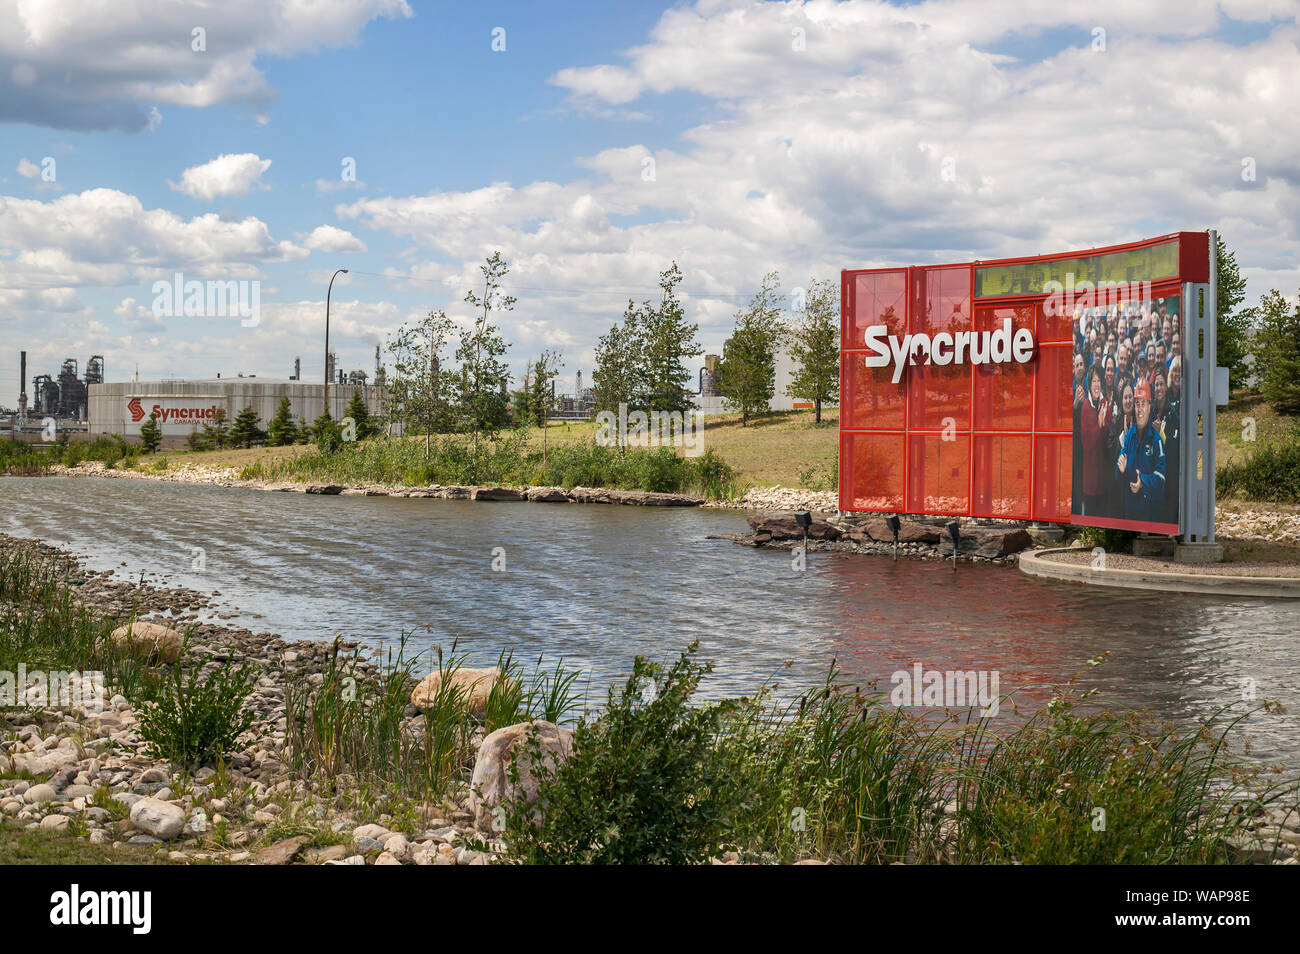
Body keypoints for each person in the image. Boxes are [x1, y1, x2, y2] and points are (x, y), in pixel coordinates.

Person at [1116, 378, 1166, 523]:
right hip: (1130, 512)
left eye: (1143, 403)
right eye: (1137, 404)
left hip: (1149, 513)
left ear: (1150, 406)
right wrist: (1121, 470)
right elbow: (1118, 469)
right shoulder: (1129, 435)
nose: (1140, 409)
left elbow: (1161, 479)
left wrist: (1142, 482)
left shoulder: (1156, 440)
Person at [1078, 365, 1112, 516]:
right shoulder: (1085, 407)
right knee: (1090, 520)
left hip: (1103, 479)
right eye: (1093, 381)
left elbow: (1107, 441)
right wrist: (1099, 425)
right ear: (1089, 384)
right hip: (1089, 480)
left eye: (1099, 381)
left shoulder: (1106, 405)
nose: (1097, 385)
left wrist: (1102, 426)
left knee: (1103, 519)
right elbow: (1087, 443)